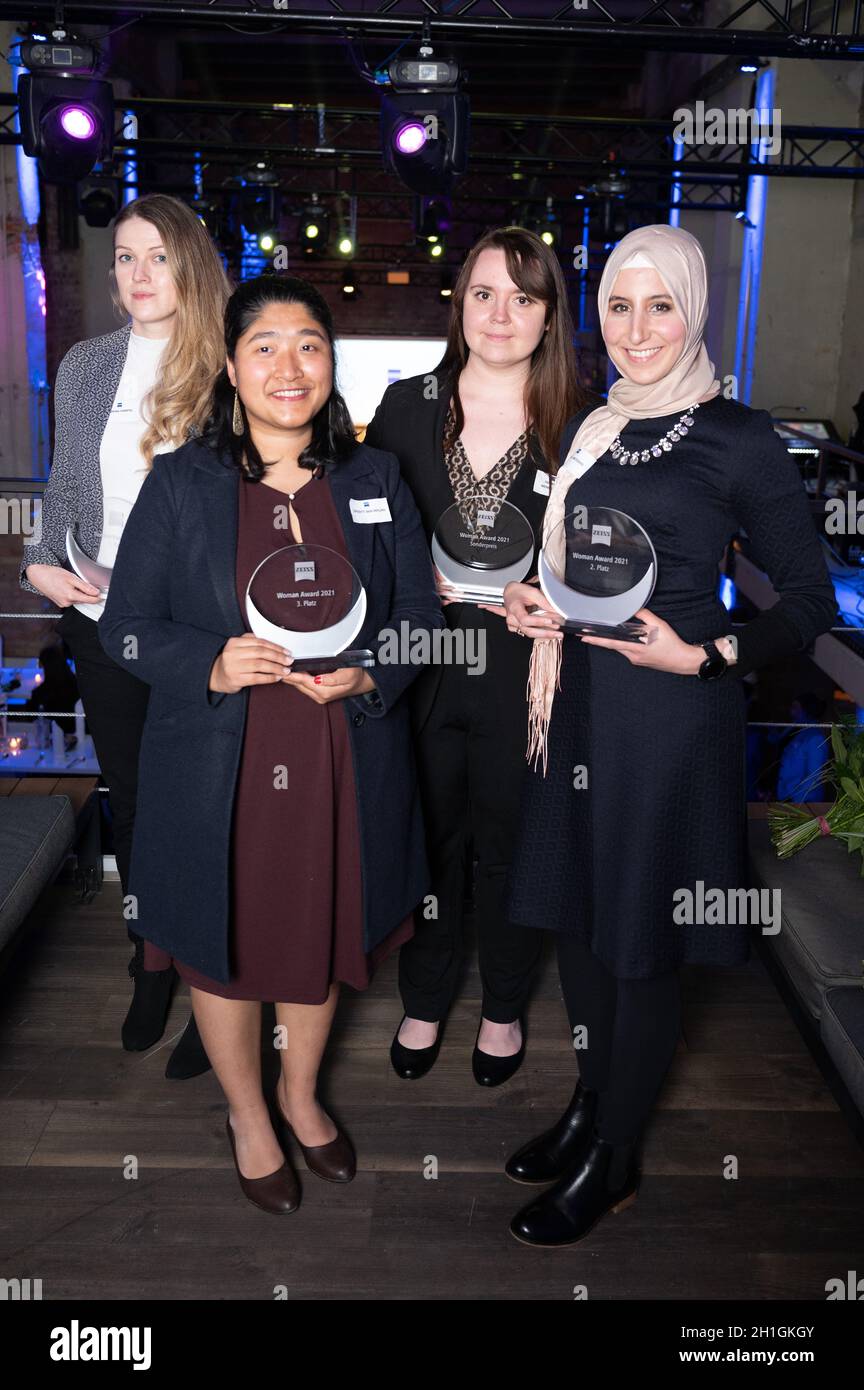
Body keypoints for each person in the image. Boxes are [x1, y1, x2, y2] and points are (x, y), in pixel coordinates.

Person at [501, 223, 836, 1247]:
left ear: (693, 308)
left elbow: (811, 603)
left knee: (639, 946)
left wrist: (706, 655)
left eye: (660, 304)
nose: (636, 328)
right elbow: (577, 567)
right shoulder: (594, 425)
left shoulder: (738, 435)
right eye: (617, 304)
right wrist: (537, 605)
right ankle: (595, 1102)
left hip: (674, 722)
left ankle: (616, 1157)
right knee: (578, 925)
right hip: (587, 710)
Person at [99, 273, 444, 1214]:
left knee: (321, 925)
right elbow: (123, 628)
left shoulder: (374, 478)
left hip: (342, 753)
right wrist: (211, 661)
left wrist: (374, 670)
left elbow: (419, 615)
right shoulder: (181, 483)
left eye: (309, 345)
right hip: (223, 760)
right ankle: (249, 1113)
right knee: (224, 940)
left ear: (332, 362)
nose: (289, 367)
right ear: (230, 366)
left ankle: (301, 1094)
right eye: (265, 347)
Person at [364, 227, 588, 1085]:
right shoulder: (405, 404)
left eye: (524, 298)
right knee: (427, 835)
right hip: (422, 654)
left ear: (547, 314)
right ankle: (423, 1002)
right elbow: (364, 530)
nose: (501, 314)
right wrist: (406, 571)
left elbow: (606, 554)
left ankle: (501, 1008)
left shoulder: (581, 418)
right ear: (460, 301)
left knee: (510, 842)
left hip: (525, 668)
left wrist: (554, 595)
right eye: (485, 293)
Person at [20, 194, 229, 1077]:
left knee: (210, 806)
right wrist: (38, 560)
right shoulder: (84, 365)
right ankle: (151, 962)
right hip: (100, 625)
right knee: (136, 803)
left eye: (156, 257)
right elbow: (63, 482)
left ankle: (213, 982)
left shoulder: (226, 366)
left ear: (190, 265)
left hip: (196, 631)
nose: (138, 275)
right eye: (124, 259)